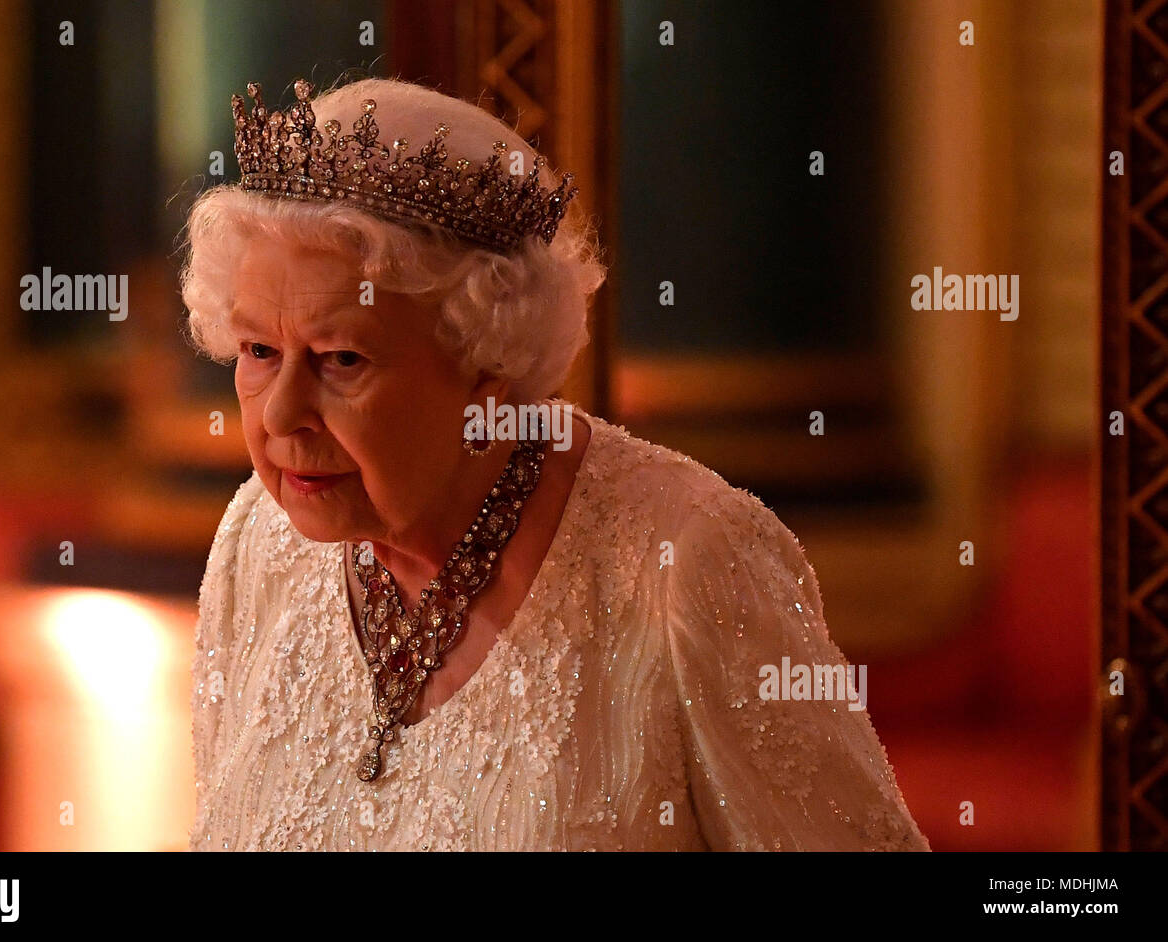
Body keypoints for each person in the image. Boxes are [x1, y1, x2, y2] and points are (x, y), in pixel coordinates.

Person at [182, 75, 931, 851]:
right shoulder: (255, 540)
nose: (278, 415)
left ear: (484, 357)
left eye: (341, 359)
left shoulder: (689, 563)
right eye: (259, 351)